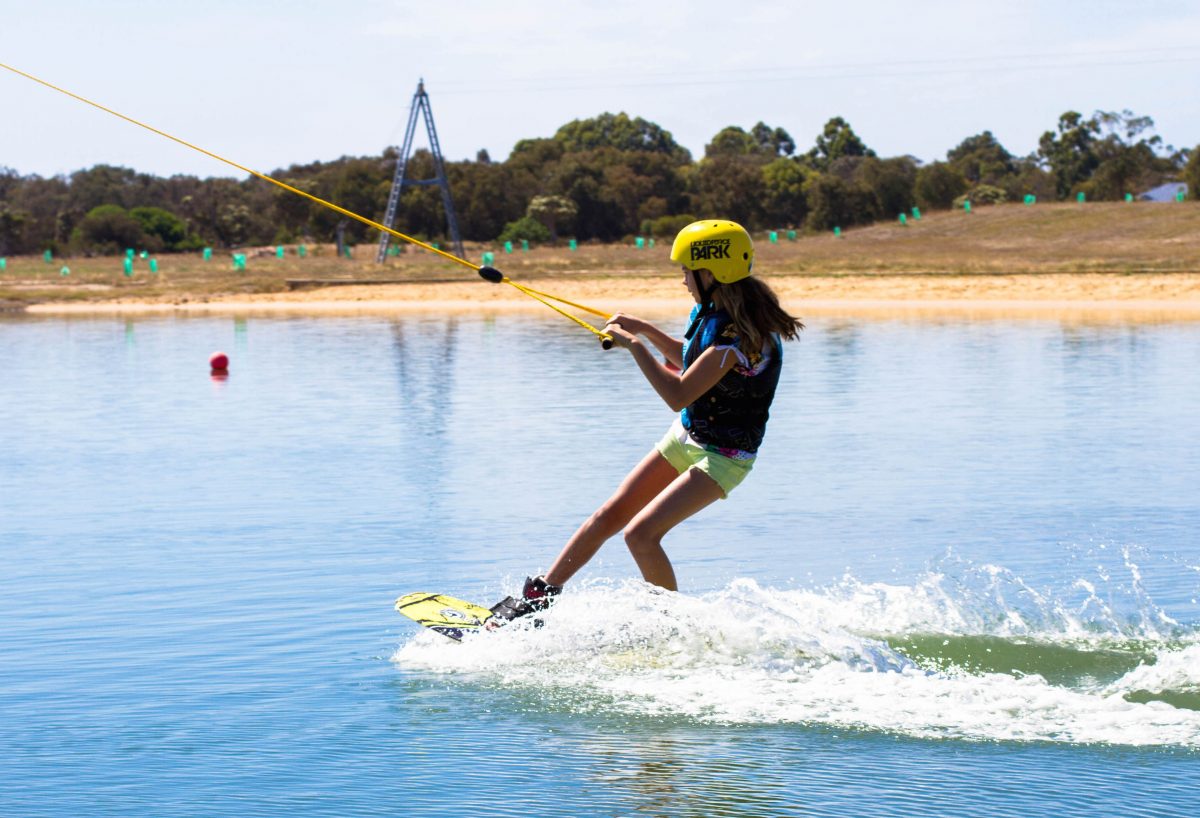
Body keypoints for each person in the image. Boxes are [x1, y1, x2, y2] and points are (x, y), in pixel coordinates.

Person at [490, 219, 804, 622]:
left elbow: (679, 394)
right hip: (690, 434)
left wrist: (635, 346)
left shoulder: (737, 341)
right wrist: (645, 329)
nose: (683, 280)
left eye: (686, 271)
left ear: (710, 273)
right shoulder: (713, 314)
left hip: (724, 456)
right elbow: (688, 360)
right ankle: (541, 595)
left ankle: (672, 625)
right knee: (610, 515)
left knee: (640, 535)